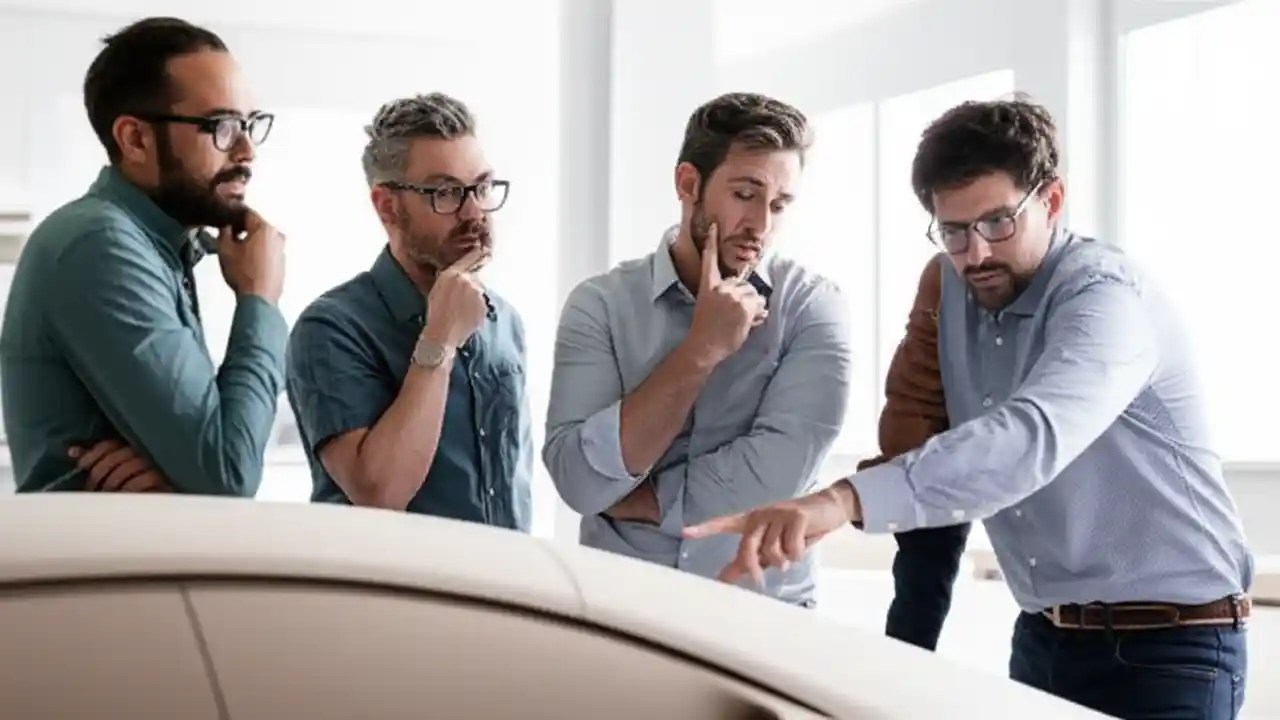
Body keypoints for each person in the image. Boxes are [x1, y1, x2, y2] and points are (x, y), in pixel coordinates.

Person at [686, 97, 1254, 718]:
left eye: (998, 223)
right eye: (953, 230)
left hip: (1173, 650)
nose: (976, 253)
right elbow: (937, 474)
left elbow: (1027, 439)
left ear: (1052, 200)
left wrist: (843, 499)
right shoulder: (950, 289)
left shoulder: (1106, 300)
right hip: (1042, 640)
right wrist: (903, 666)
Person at [543, 92, 852, 606]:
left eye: (778, 205)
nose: (761, 226)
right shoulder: (598, 306)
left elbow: (776, 477)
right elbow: (578, 481)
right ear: (689, 183)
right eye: (745, 194)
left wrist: (640, 499)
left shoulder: (813, 310)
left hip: (763, 617)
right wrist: (700, 351)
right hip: (620, 612)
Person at [1, 17, 287, 495]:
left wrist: (179, 469)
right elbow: (229, 471)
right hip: (102, 563)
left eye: (251, 124)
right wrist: (260, 300)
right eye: (222, 126)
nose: (247, 150)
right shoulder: (99, 244)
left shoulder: (158, 245)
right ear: (135, 139)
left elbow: (211, 468)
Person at [285, 93, 531, 530]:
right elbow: (380, 493)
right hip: (396, 594)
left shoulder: (504, 321)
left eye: (482, 187)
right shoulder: (330, 328)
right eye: (446, 193)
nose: (474, 212)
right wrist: (439, 340)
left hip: (500, 586)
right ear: (387, 205)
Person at [856, 253, 968, 651]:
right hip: (941, 452)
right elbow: (916, 380)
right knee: (919, 595)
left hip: (1032, 450)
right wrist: (902, 470)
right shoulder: (946, 275)